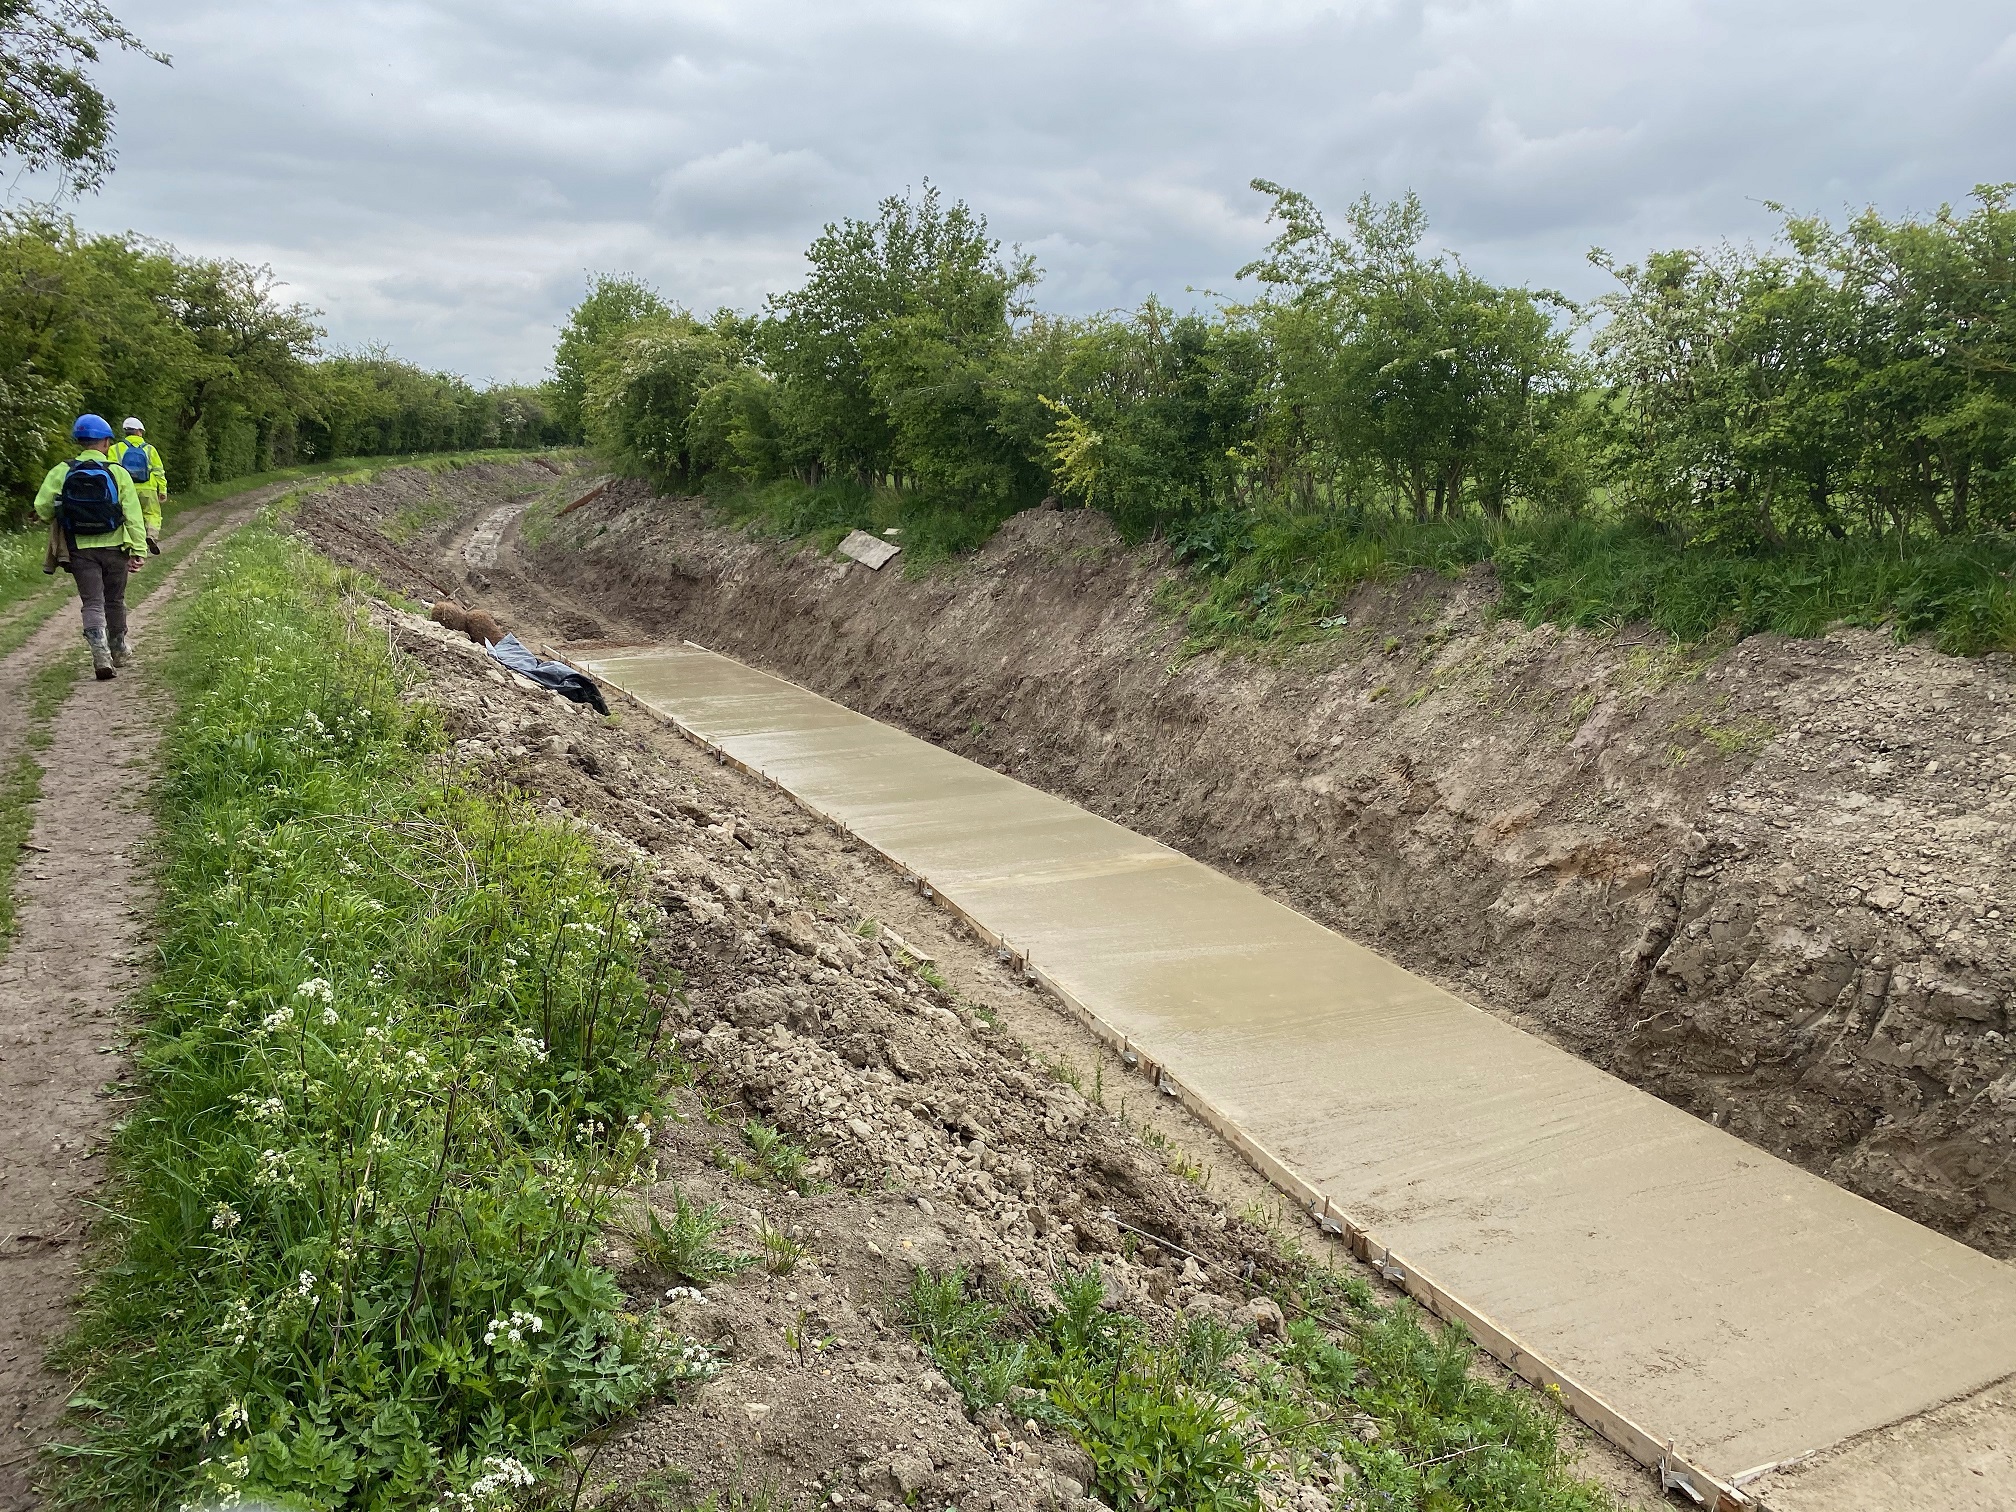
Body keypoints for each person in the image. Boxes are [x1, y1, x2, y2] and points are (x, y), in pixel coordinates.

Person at [35, 414, 147, 680]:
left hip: (80, 549)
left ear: (79, 441)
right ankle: (118, 649)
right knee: (115, 600)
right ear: (106, 442)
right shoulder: (117, 472)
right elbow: (133, 515)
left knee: (92, 602)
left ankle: (100, 654)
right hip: (116, 548)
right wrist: (138, 550)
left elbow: (42, 507)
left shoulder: (63, 470)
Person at [115, 417, 167, 554]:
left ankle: (129, 543)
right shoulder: (150, 449)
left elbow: (111, 470)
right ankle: (151, 535)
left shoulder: (116, 449)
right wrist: (162, 490)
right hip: (148, 488)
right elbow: (158, 471)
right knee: (152, 514)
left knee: (128, 516)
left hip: (126, 489)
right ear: (139, 432)